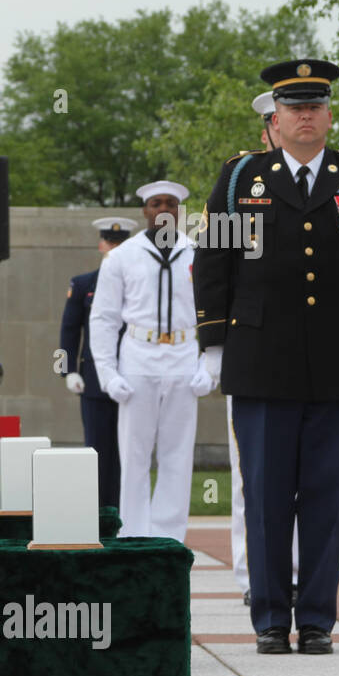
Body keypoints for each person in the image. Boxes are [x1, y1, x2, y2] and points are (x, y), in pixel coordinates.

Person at [197, 59, 339, 655]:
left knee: (327, 495)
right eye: (294, 107)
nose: (305, 115)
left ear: (329, 115)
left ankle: (315, 619)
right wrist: (213, 342)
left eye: (315, 105)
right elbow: (214, 266)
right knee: (264, 496)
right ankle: (268, 618)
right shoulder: (241, 180)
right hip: (260, 360)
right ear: (276, 119)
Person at [90, 181, 212, 542]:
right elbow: (104, 318)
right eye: (156, 203)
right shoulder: (122, 257)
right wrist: (108, 373)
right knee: (135, 455)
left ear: (179, 211)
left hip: (184, 356)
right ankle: (133, 533)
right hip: (138, 357)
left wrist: (210, 365)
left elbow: (214, 314)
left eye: (171, 204)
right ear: (144, 210)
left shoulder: (198, 253)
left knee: (177, 454)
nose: (163, 209)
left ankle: (170, 537)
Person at [227, 92, 300, 608]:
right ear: (267, 131)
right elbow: (221, 264)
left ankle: (295, 573)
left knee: (309, 477)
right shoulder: (239, 182)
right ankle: (253, 576)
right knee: (251, 473)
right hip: (253, 347)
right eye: (275, 124)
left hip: (312, 347)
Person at [58, 217, 135, 509]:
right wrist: (67, 371)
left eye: (120, 244)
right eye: (110, 243)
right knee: (98, 449)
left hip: (131, 376)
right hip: (93, 380)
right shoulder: (83, 284)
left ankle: (127, 512)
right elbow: (68, 329)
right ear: (101, 244)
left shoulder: (137, 283)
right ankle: (100, 512)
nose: (114, 249)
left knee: (129, 453)